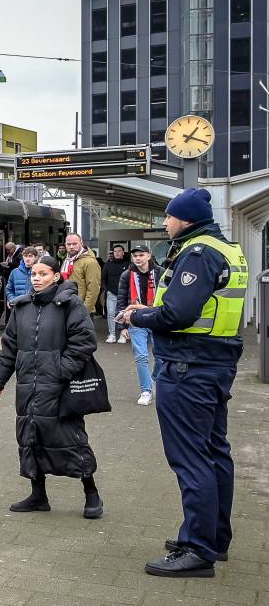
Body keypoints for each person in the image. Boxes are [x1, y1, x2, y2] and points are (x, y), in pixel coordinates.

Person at [119, 188, 247, 578]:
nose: (166, 221)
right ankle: (212, 537)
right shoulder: (227, 249)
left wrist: (136, 317)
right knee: (214, 453)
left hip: (188, 367)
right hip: (214, 363)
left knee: (192, 460)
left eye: (170, 216)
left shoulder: (198, 253)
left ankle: (198, 551)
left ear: (185, 219)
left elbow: (176, 313)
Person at [0, 255, 103, 520]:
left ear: (55, 275)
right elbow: (9, 348)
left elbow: (84, 342)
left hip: (59, 387)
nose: (37, 278)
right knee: (30, 437)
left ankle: (91, 492)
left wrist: (60, 370)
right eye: (34, 274)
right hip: (28, 386)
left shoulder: (70, 305)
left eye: (43, 274)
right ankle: (38, 495)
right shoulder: (22, 307)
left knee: (71, 439)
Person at [117, 245, 163, 406]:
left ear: (149, 256)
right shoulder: (126, 275)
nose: (138, 258)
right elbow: (121, 299)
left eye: (141, 255)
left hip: (157, 319)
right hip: (135, 320)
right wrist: (121, 326)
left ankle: (155, 381)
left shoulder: (160, 273)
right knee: (141, 357)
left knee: (161, 356)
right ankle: (146, 390)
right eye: (135, 255)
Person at [61, 233, 101, 315]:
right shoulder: (67, 260)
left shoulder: (90, 262)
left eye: (74, 244)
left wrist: (84, 311)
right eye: (68, 244)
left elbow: (93, 289)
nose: (71, 247)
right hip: (67, 307)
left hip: (81, 310)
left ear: (81, 243)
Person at [101, 244, 131, 344]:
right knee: (110, 314)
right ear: (113, 253)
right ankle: (112, 335)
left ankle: (123, 335)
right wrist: (106, 290)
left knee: (123, 314)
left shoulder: (128, 265)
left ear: (123, 252)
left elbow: (131, 279)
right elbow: (103, 278)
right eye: (115, 251)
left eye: (119, 251)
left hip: (124, 294)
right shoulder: (108, 264)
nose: (117, 253)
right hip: (111, 293)